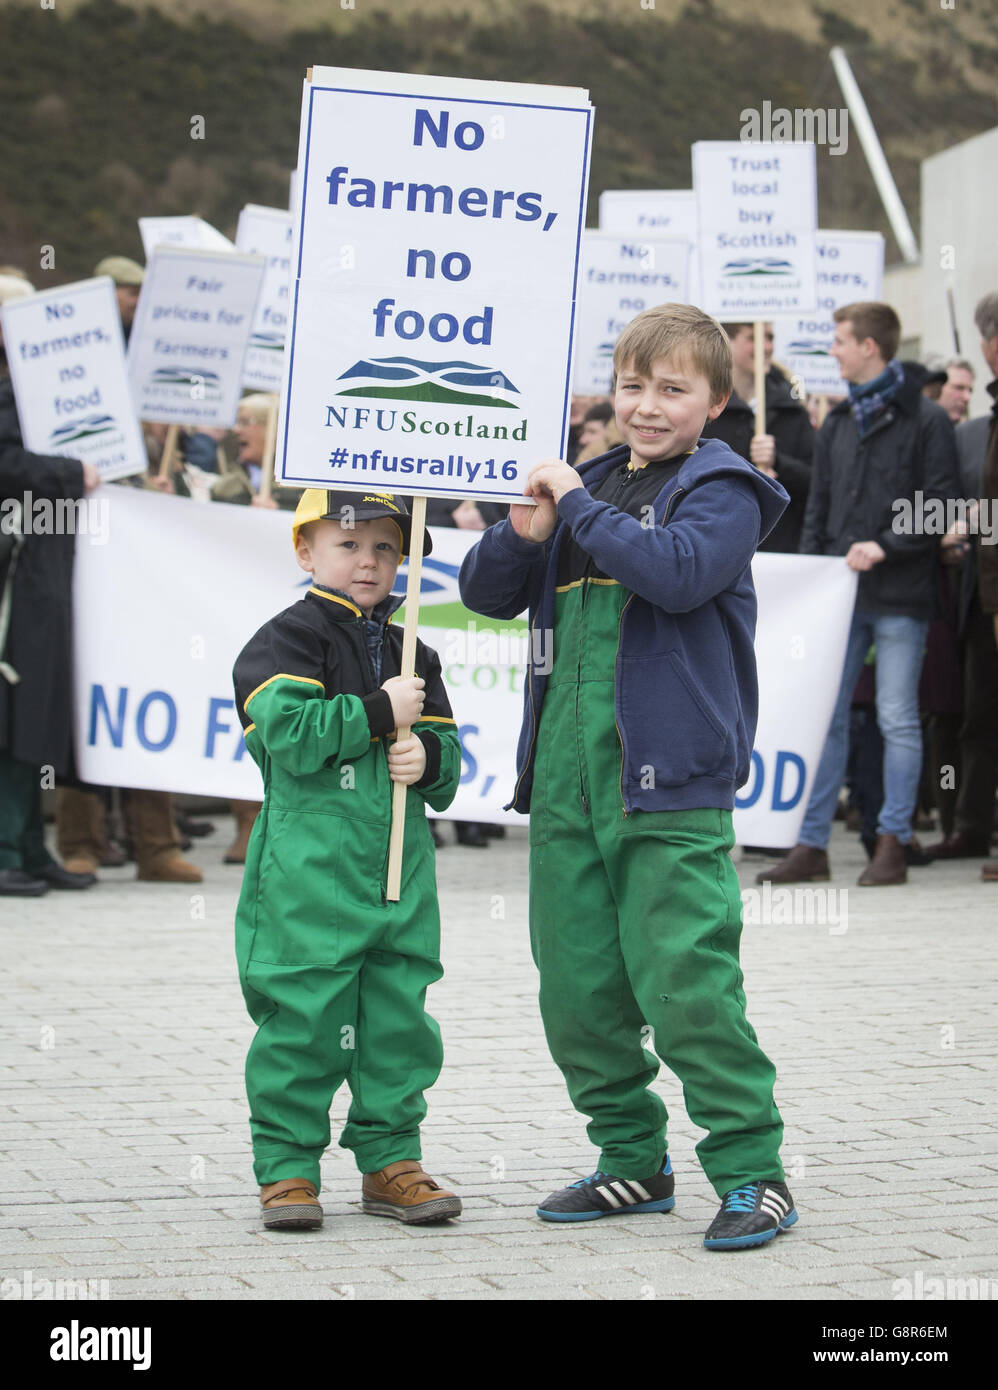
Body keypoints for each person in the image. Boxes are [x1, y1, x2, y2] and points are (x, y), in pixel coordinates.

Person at [460, 303, 798, 1251]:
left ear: (717, 402)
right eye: (633, 386)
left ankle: (752, 1172)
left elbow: (680, 574)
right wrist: (526, 531)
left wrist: (575, 505)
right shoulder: (587, 487)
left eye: (672, 390)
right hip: (566, 788)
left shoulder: (725, 486)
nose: (647, 407)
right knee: (575, 991)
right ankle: (631, 1162)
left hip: (670, 783)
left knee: (687, 987)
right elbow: (485, 595)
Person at [233, 488, 463, 1229]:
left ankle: (391, 1161)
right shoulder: (287, 639)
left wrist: (425, 754)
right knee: (302, 1016)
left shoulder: (416, 646)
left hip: (400, 875)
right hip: (309, 870)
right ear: (306, 552)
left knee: (397, 1020)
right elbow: (288, 738)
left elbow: (453, 769)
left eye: (385, 548)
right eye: (348, 544)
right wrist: (376, 713)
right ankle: (289, 1169)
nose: (368, 561)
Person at [761, 302, 960, 888]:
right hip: (838, 600)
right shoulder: (842, 422)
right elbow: (819, 506)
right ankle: (811, 843)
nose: (834, 351)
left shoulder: (927, 420)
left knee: (898, 717)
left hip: (899, 594)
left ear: (870, 347)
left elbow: (942, 504)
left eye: (841, 341)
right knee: (826, 718)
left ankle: (893, 841)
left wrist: (887, 545)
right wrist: (815, 576)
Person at [0, 275, 99, 895]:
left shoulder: (34, 393)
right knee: (16, 713)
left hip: (43, 577)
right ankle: (9, 847)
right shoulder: (10, 393)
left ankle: (29, 845)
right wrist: (72, 471)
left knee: (34, 714)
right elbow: (8, 464)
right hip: (18, 583)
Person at [927, 295, 998, 883]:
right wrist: (954, 533)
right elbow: (951, 508)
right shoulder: (975, 433)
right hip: (980, 596)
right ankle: (972, 825)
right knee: (977, 718)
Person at [701, 322, 813, 552]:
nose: (767, 347)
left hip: (780, 554)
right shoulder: (704, 409)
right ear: (727, 343)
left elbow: (818, 483)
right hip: (719, 549)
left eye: (770, 338)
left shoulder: (791, 408)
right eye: (754, 338)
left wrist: (779, 463)